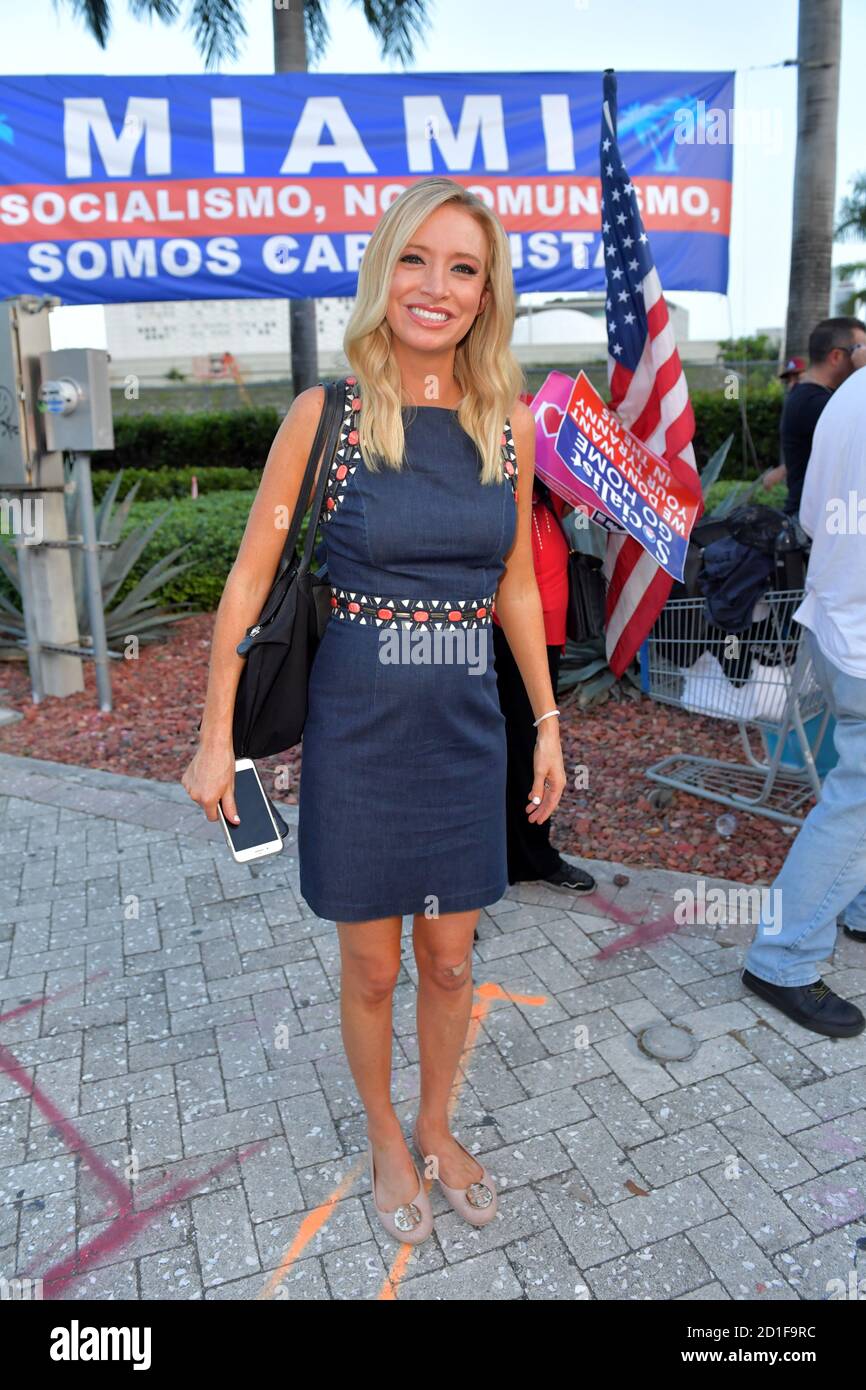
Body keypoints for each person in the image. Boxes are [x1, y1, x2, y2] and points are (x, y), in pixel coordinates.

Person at [181, 177, 566, 1245]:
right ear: (382, 267)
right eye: (415, 258)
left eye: (462, 267)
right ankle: (385, 1131)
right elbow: (250, 578)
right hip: (356, 734)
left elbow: (516, 587)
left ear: (487, 293)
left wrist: (545, 719)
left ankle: (439, 1127)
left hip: (462, 732)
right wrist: (217, 739)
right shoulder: (331, 415)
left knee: (450, 959)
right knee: (369, 964)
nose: (434, 286)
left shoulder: (505, 423)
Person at [742, 361, 866, 1036]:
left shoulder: (850, 392)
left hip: (837, 617)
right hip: (859, 629)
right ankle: (781, 957)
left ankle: (860, 909)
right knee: (858, 802)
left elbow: (814, 514)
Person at [492, 472, 596, 893]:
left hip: (546, 626)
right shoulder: (495, 445)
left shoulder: (550, 462)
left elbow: (585, 507)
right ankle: (466, 879)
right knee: (487, 746)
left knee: (531, 742)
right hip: (495, 625)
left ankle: (530, 854)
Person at [760, 317, 866, 511]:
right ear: (836, 356)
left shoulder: (820, 398)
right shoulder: (813, 402)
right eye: (860, 349)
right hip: (815, 530)